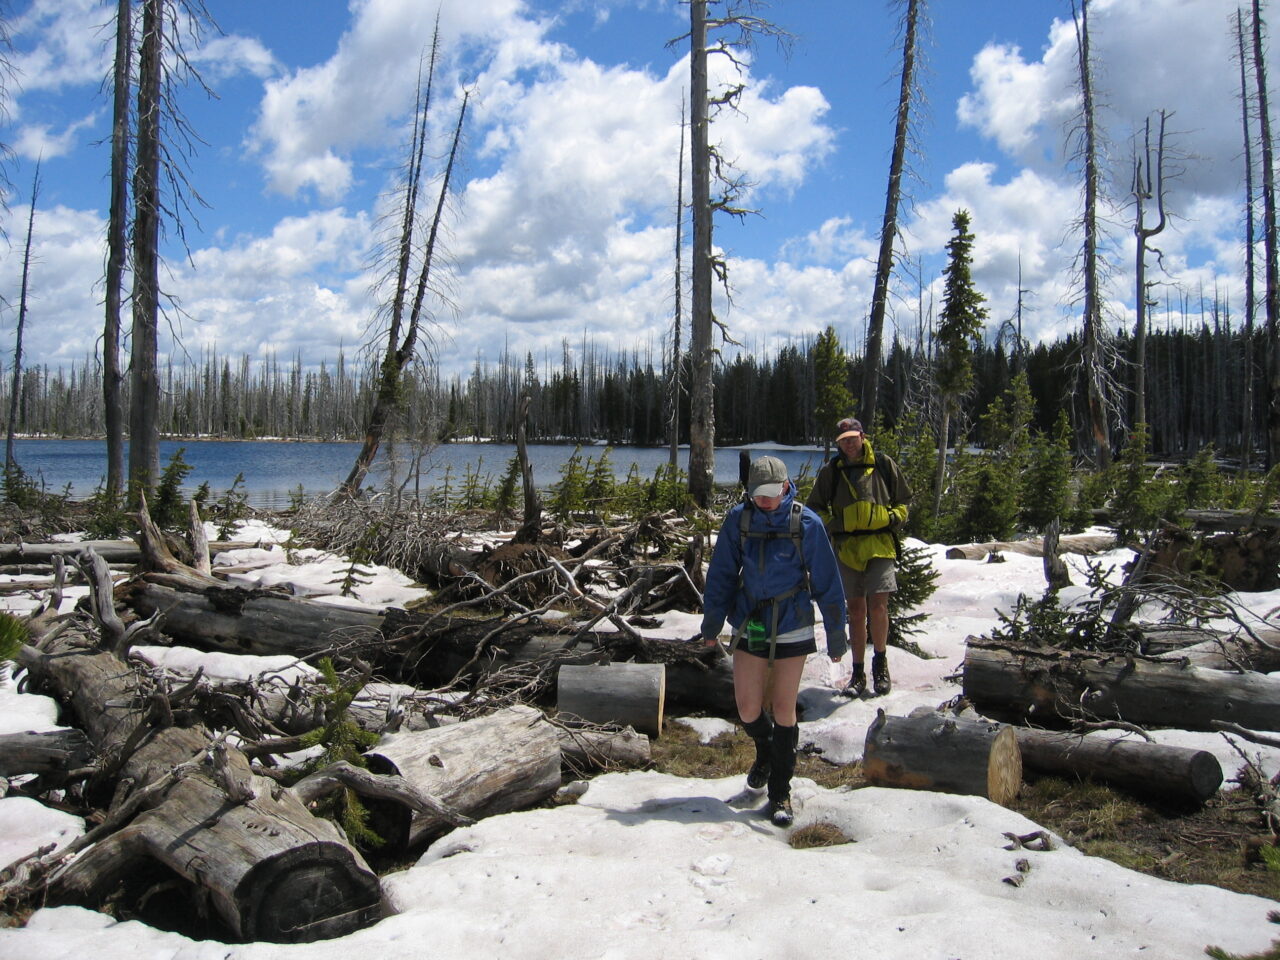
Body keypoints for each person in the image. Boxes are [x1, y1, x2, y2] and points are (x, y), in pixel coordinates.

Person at [700, 455, 848, 827]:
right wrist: (711, 623)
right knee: (748, 708)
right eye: (757, 494)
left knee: (784, 708)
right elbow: (721, 573)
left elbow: (829, 582)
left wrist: (836, 636)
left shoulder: (806, 523)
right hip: (751, 619)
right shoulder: (739, 519)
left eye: (770, 493)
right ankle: (766, 750)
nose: (764, 500)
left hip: (793, 621)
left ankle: (781, 792)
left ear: (786, 486)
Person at [806, 417, 911, 698]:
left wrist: (892, 517)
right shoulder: (833, 470)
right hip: (848, 548)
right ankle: (858, 671)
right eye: (843, 440)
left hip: (880, 544)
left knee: (878, 605)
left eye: (852, 438)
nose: (849, 444)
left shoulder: (883, 464)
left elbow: (904, 502)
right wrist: (835, 525)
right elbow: (815, 507)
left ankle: (880, 664)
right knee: (855, 610)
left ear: (862, 436)